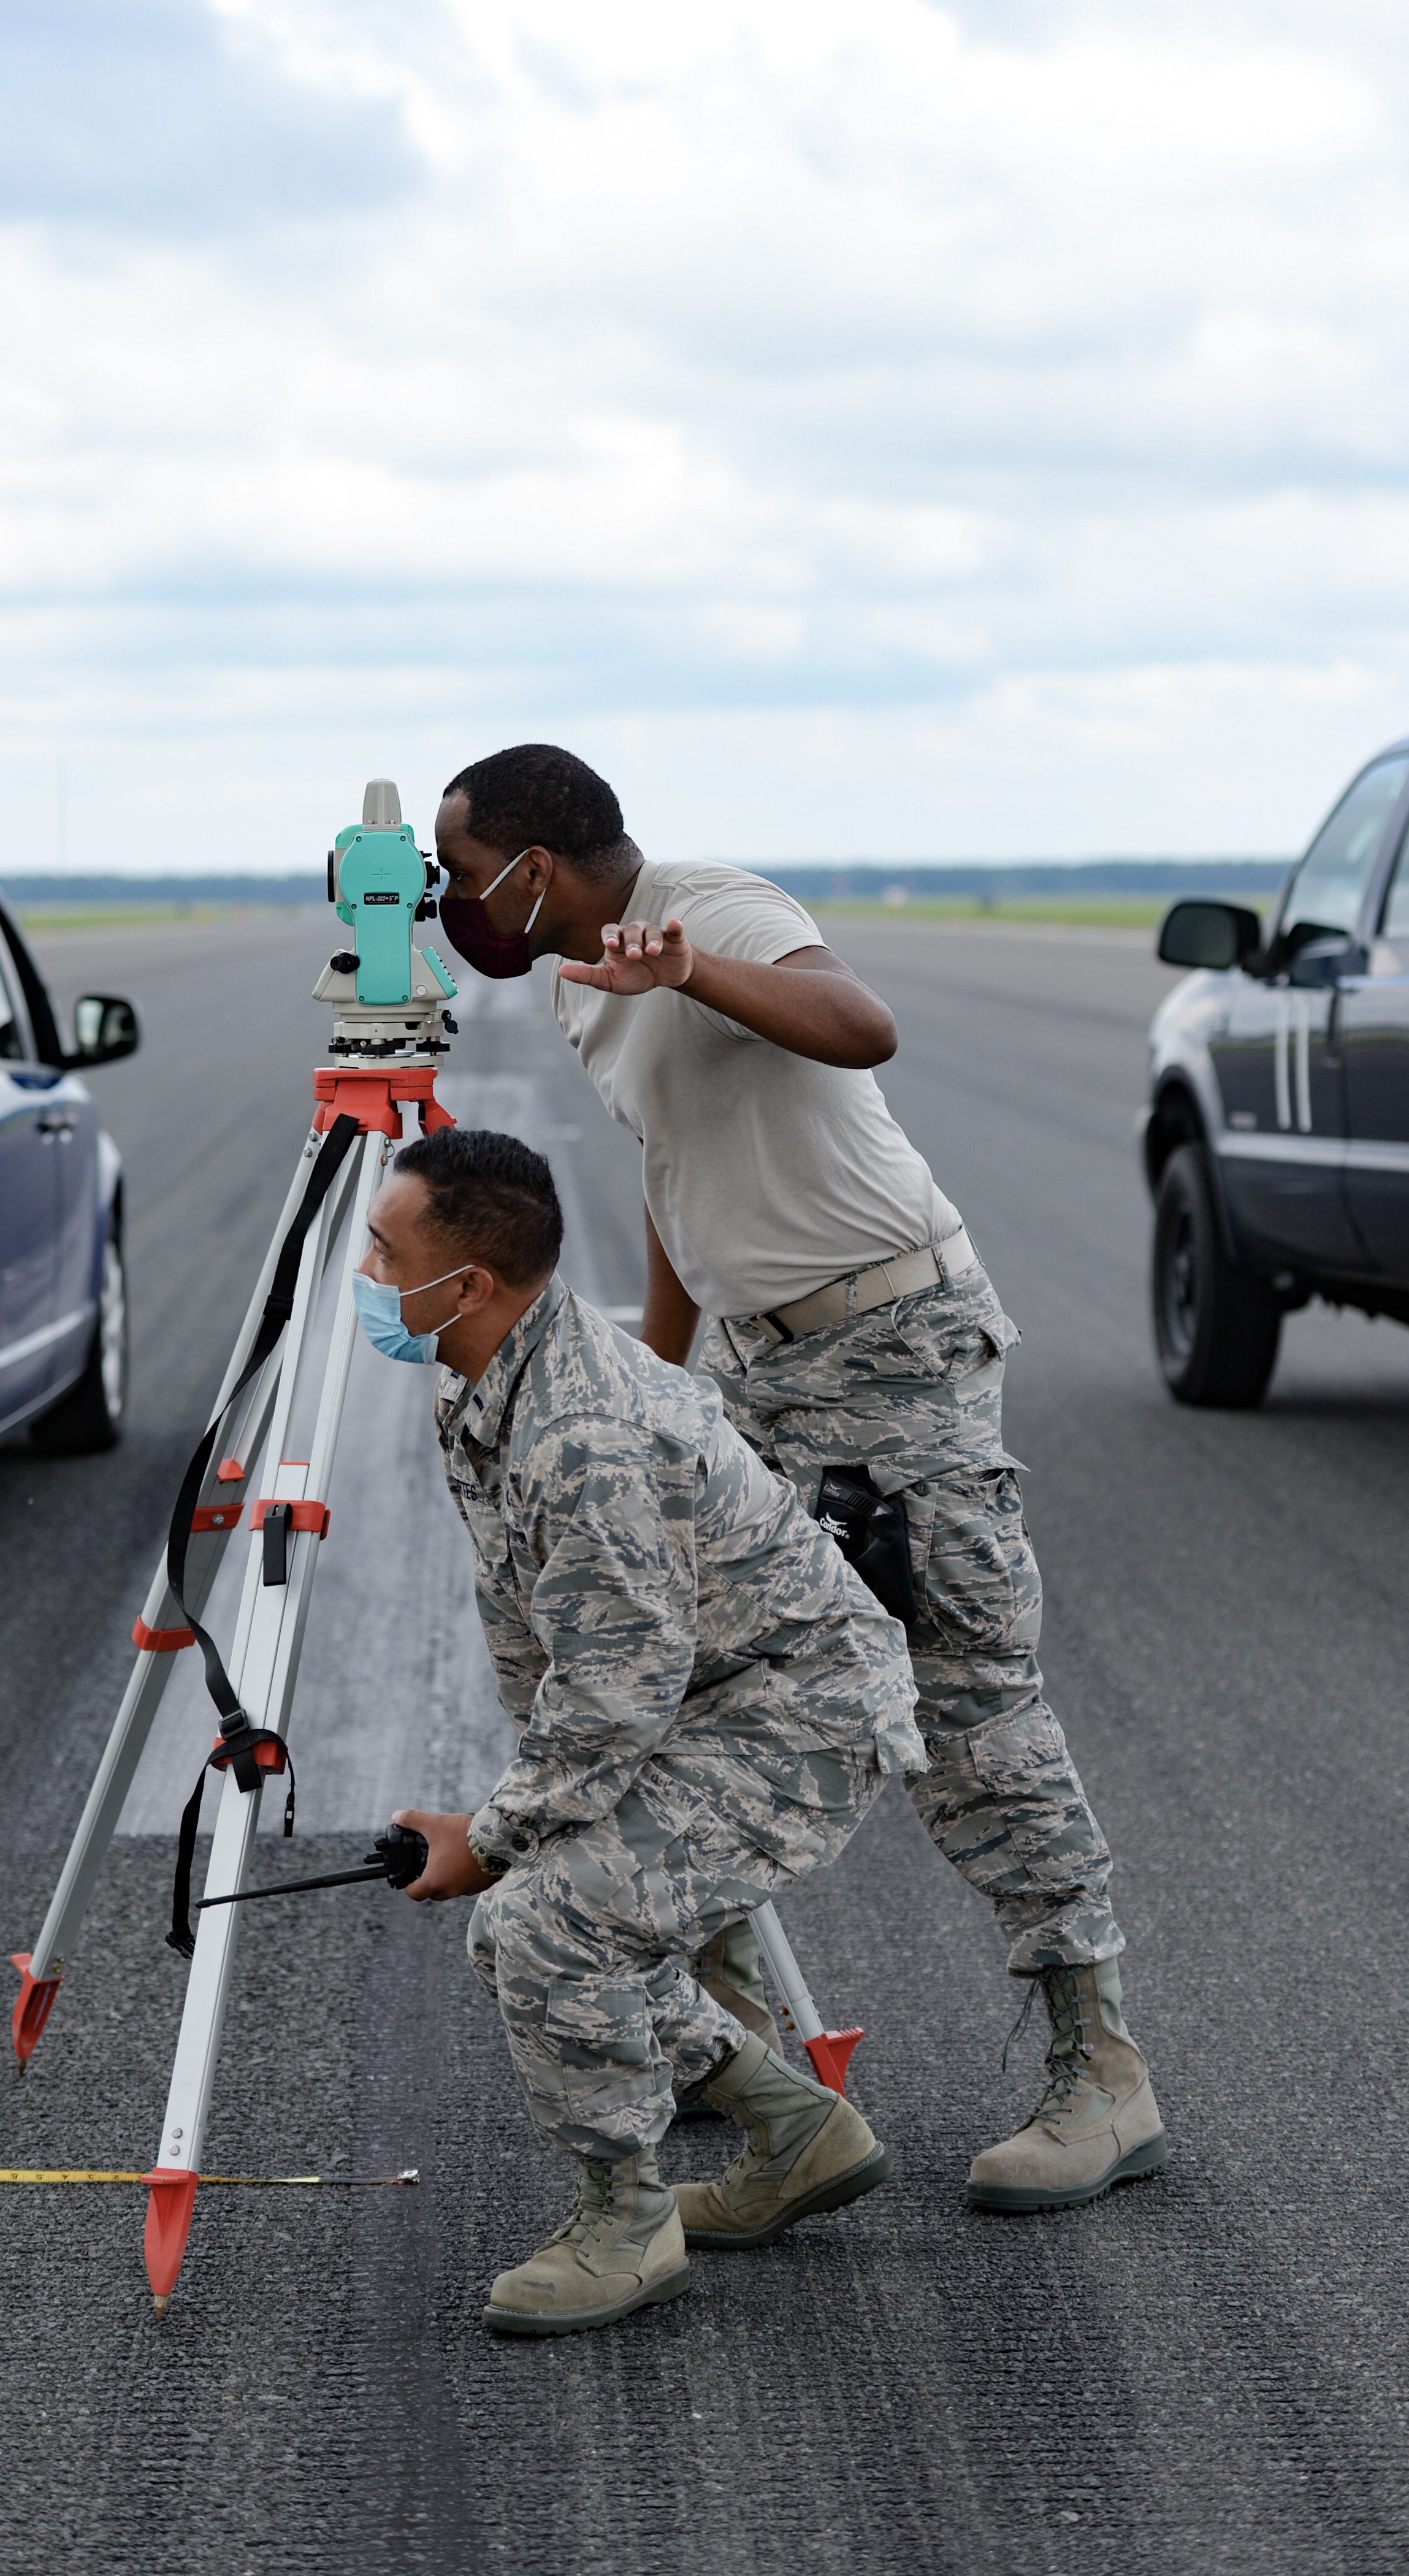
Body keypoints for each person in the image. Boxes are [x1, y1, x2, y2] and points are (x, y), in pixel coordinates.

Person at [429, 745, 1166, 2214]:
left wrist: (691, 970)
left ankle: (1102, 2077)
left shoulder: (715, 906)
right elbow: (671, 1167)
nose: (453, 902)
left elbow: (858, 1025)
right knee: (674, 1683)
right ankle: (737, 2067)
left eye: (462, 874)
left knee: (967, 1706)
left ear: (540, 865)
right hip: (749, 1371)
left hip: (890, 1342)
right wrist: (658, 1367)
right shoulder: (581, 986)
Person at [367, 1127, 923, 2336]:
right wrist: (532, 1823)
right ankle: (798, 2131)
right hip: (708, 1693)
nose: (366, 1273)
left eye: (381, 1250)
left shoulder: (583, 1435)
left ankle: (627, 2224)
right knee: (540, 1918)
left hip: (795, 1711)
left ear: (465, 1287)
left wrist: (498, 1840)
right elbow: (533, 1629)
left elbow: (617, 1682)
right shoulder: (482, 1376)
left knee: (544, 1925)